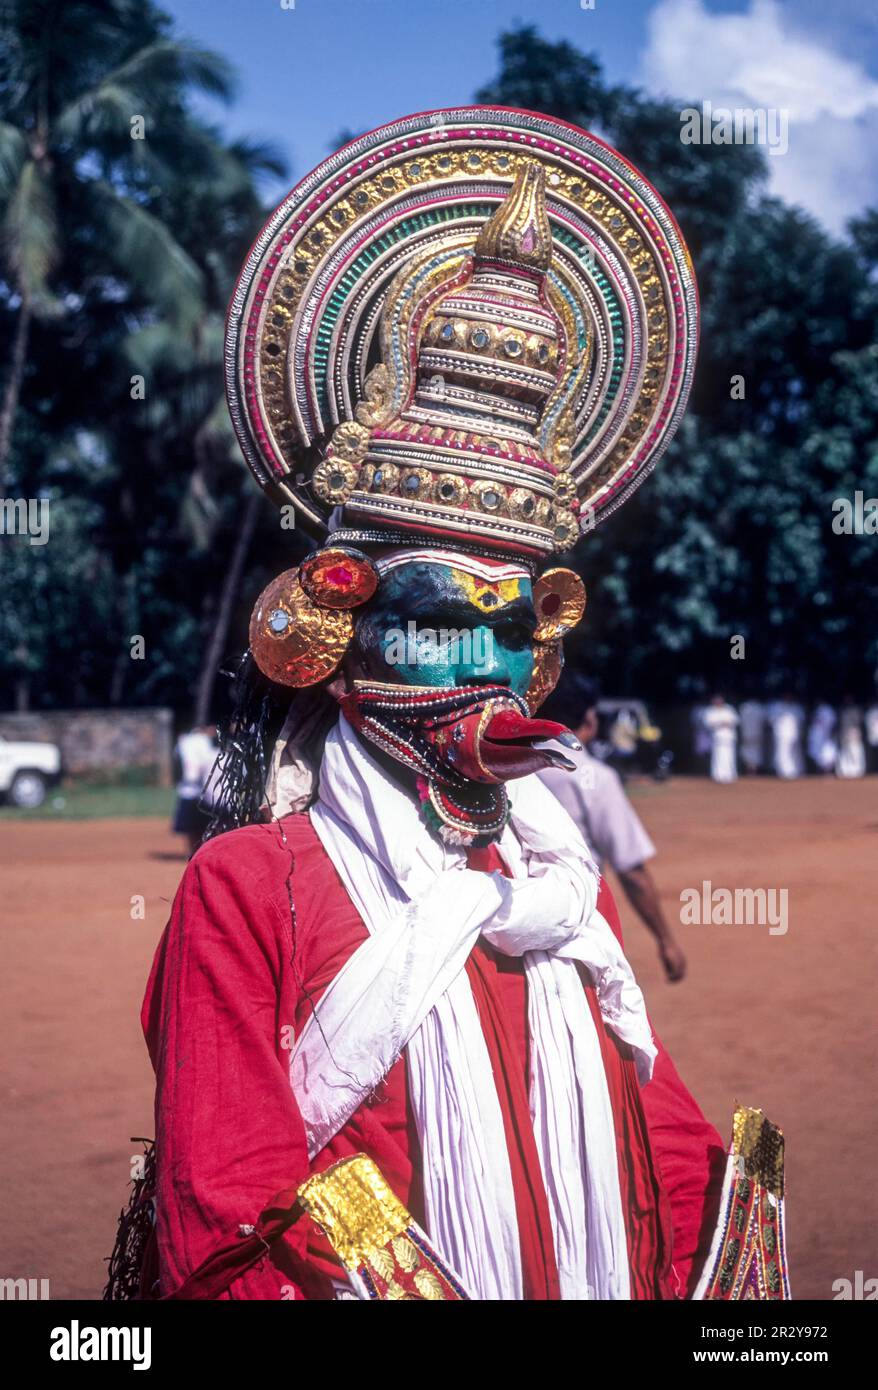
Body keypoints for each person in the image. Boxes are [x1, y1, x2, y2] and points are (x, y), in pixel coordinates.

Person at [137, 111, 787, 1303]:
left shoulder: (556, 889)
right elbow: (224, 1229)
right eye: (441, 620)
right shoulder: (249, 891)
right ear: (334, 625)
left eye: (513, 627)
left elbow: (670, 1162)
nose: (485, 670)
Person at [538, 674, 687, 982]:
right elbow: (632, 871)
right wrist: (665, 940)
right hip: (575, 927)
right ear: (589, 720)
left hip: (510, 927)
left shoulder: (504, 767)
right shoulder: (592, 775)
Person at [171, 723, 218, 856]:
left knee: (195, 826)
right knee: (201, 825)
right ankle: (199, 851)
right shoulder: (201, 741)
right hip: (199, 789)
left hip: (193, 788)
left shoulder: (185, 741)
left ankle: (196, 851)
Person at [702, 693, 739, 783]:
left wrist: (725, 723)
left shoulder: (729, 709)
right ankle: (718, 775)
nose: (718, 702)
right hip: (717, 737)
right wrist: (720, 723)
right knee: (718, 756)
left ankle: (729, 775)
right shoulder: (710, 711)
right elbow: (708, 723)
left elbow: (735, 720)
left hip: (728, 737)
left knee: (729, 756)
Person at [769, 694, 804, 779]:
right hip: (781, 734)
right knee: (782, 752)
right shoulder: (776, 707)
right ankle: (784, 771)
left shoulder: (796, 708)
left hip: (794, 733)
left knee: (795, 753)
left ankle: (796, 770)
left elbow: (801, 720)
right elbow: (770, 720)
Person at [836, 696, 866, 779]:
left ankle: (858, 771)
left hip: (854, 733)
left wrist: (855, 732)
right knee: (844, 753)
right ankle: (845, 771)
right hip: (844, 734)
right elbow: (840, 724)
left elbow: (859, 722)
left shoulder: (856, 710)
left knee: (856, 752)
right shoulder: (842, 711)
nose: (848, 701)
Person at [807, 702, 837, 775]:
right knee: (817, 756)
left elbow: (833, 724)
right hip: (817, 738)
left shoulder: (828, 710)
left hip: (827, 737)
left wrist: (830, 733)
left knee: (829, 755)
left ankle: (828, 771)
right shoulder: (815, 711)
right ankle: (820, 772)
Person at [738, 698, 765, 775]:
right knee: (751, 753)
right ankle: (751, 770)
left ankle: (752, 770)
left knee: (753, 753)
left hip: (752, 734)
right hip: (750, 734)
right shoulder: (745, 707)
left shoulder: (744, 708)